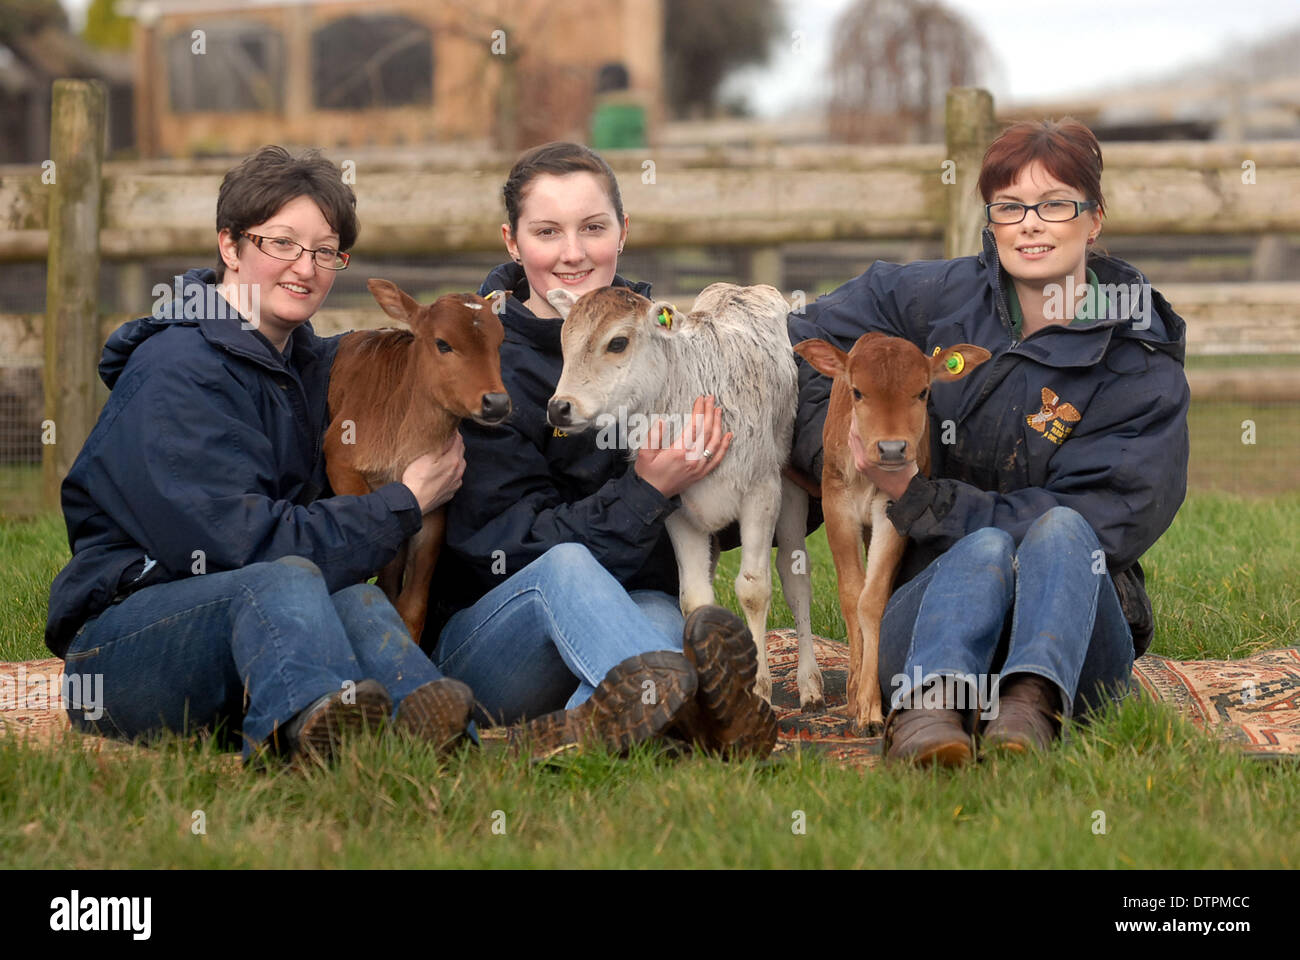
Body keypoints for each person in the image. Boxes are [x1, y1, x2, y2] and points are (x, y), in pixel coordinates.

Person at [46, 145, 476, 765]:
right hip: (123, 655)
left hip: (243, 634)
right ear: (230, 246)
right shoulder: (177, 373)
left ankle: (438, 734)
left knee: (354, 598)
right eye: (282, 243)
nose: (306, 267)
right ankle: (306, 737)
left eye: (325, 251)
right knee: (283, 577)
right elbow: (241, 545)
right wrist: (403, 505)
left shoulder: (303, 365)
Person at [788, 119, 1190, 766]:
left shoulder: (1140, 365)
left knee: (1056, 530)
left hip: (1073, 630)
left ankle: (1027, 707)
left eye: (1056, 203)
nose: (1030, 223)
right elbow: (803, 346)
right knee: (982, 546)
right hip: (931, 609)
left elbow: (1110, 517)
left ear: (1094, 220)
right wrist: (845, 456)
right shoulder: (928, 299)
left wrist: (925, 502)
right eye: (1010, 206)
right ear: (993, 220)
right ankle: (931, 708)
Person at [424, 141, 778, 758]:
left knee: (671, 631)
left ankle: (577, 735)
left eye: (593, 227)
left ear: (623, 231)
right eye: (546, 231)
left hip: (625, 607)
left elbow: (757, 458)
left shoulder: (669, 344)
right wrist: (646, 490)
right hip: (498, 636)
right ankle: (704, 720)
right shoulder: (484, 362)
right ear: (512, 241)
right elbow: (504, 547)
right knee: (566, 567)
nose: (573, 252)